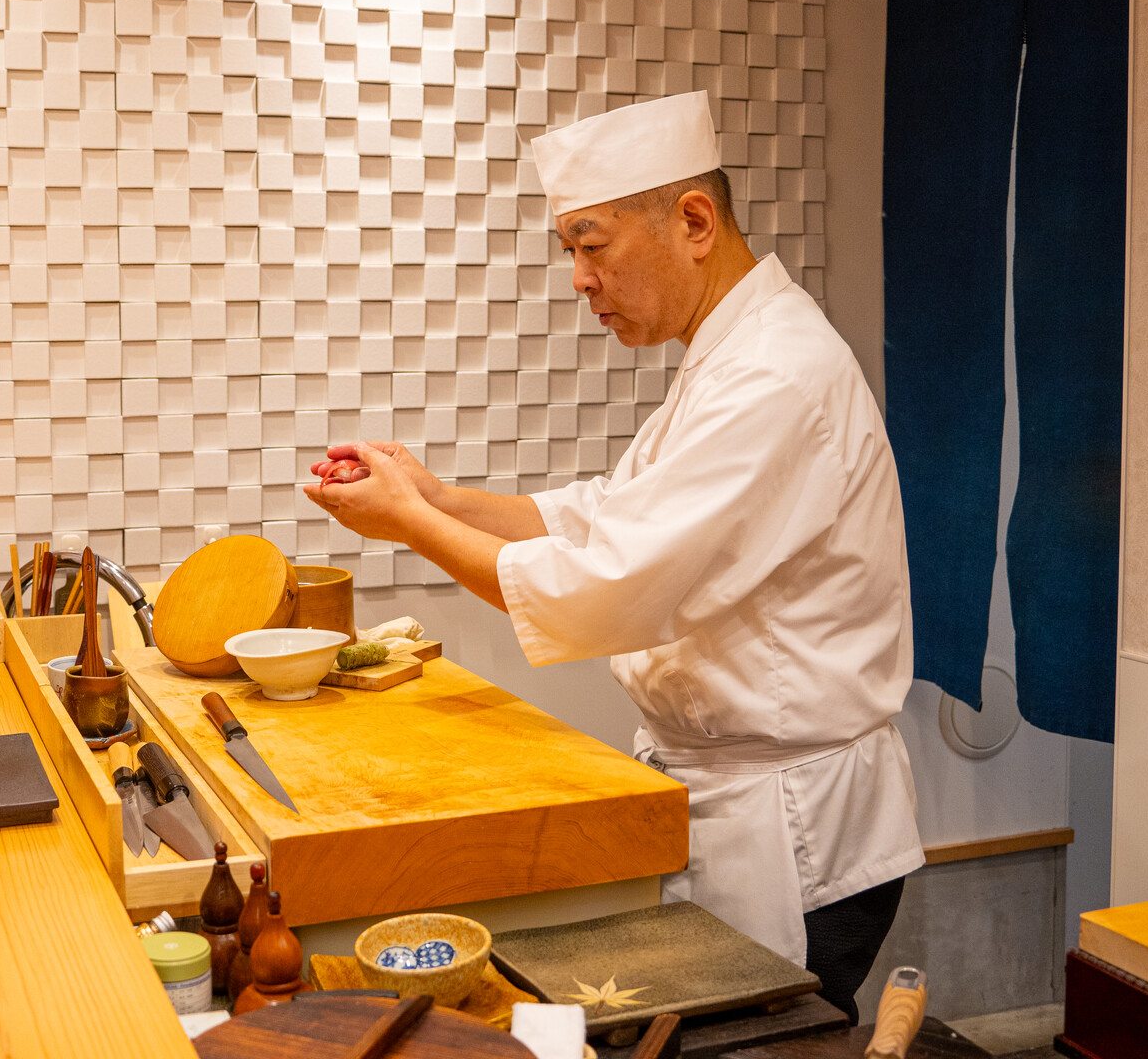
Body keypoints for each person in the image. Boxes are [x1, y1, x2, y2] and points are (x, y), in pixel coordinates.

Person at [304, 90, 923, 1022]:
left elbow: (608, 583)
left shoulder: (776, 372)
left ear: (695, 221)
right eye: (571, 253)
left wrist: (411, 525)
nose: (581, 279)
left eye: (594, 247)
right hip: (724, 793)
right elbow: (605, 519)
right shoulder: (726, 354)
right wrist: (435, 496)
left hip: (791, 828)